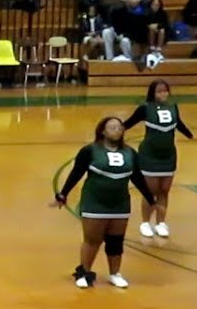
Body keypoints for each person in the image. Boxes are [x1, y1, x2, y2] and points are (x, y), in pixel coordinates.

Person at [52, 117, 155, 289]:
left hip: (120, 204)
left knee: (116, 241)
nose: (117, 130)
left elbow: (137, 177)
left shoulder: (130, 153)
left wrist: (150, 199)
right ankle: (84, 273)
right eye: (112, 127)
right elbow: (76, 173)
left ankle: (115, 274)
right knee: (92, 240)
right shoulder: (90, 151)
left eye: (119, 128)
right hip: (95, 203)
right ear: (103, 131)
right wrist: (63, 194)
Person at [121, 80, 193, 239]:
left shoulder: (173, 107)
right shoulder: (145, 108)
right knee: (150, 191)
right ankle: (145, 222)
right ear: (152, 93)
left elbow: (179, 124)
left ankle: (161, 222)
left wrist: (190, 135)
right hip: (149, 155)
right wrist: (113, 137)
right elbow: (127, 124)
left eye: (165, 91)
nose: (163, 94)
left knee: (164, 191)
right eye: (159, 91)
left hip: (168, 156)